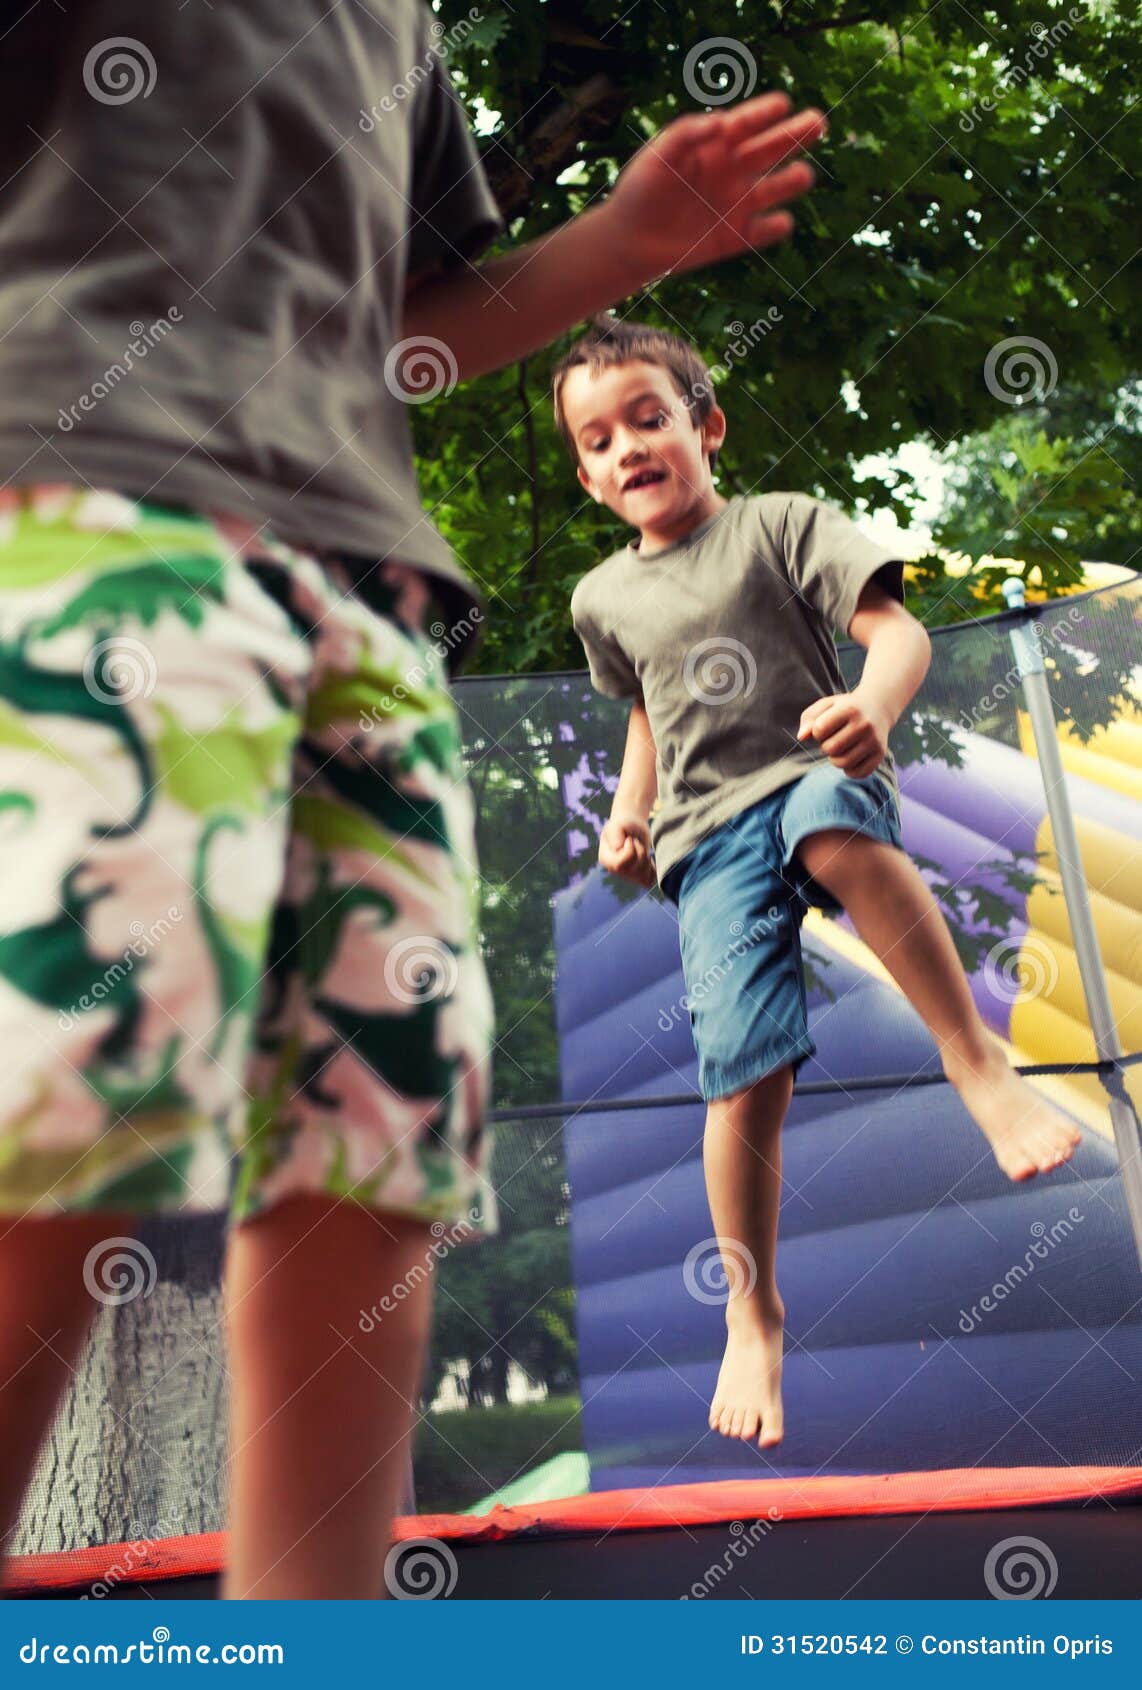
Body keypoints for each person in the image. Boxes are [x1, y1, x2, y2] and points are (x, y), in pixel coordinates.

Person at [0, 2, 826, 1598]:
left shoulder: (393, 21)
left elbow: (409, 325)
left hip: (366, 590)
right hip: (89, 510)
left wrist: (622, 242)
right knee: (74, 1074)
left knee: (377, 1151)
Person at [559, 313, 1083, 1452]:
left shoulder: (777, 524)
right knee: (742, 1081)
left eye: (649, 418)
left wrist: (870, 708)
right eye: (597, 439)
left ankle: (970, 1056)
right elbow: (648, 706)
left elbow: (894, 632)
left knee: (825, 831)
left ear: (706, 426)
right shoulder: (599, 598)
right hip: (702, 840)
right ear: (588, 476)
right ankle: (751, 1309)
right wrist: (626, 812)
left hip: (809, 770)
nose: (627, 447)